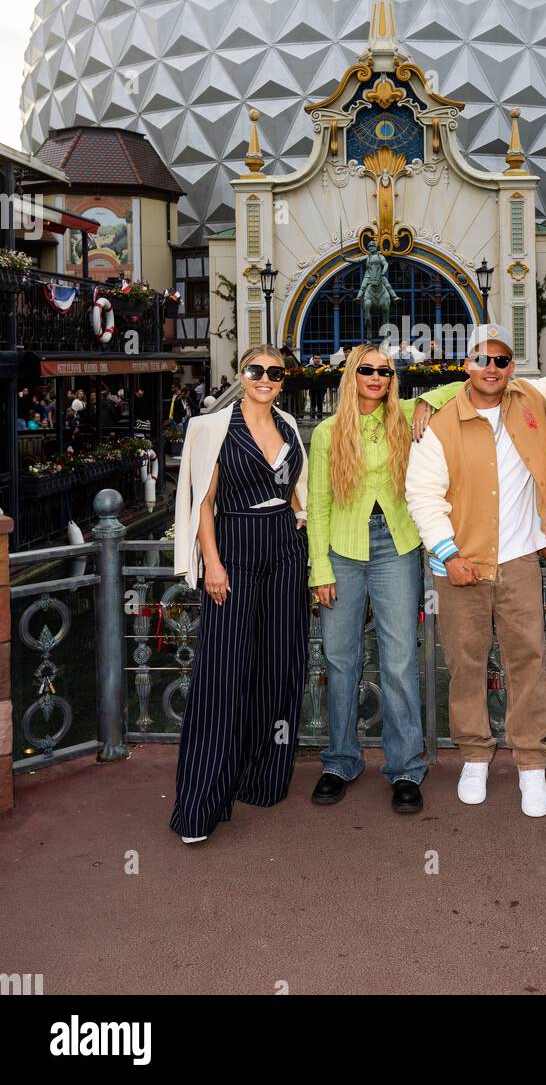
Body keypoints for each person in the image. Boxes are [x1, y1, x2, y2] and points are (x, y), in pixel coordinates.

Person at [405, 324, 546, 818]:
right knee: (466, 663)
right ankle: (475, 755)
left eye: (502, 360)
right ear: (466, 365)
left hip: (519, 558)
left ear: (513, 367)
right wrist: (448, 553)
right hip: (460, 559)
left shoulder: (528, 396)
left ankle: (530, 762)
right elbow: (422, 494)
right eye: (482, 359)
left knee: (527, 658)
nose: (492, 368)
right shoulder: (439, 421)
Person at [307, 344, 465, 814]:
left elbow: (464, 386)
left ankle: (404, 768)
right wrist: (319, 567)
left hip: (396, 546)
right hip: (342, 549)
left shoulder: (407, 416)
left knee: (398, 660)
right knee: (340, 659)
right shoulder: (326, 432)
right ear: (352, 375)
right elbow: (318, 504)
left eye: (385, 371)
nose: (376, 377)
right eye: (368, 370)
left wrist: (430, 403)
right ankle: (340, 760)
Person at [170, 344, 308, 843]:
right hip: (235, 547)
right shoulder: (211, 427)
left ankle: (263, 778)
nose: (265, 378)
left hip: (287, 550)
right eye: (256, 370)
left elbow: (297, 489)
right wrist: (213, 563)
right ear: (241, 374)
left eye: (274, 372)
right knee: (221, 675)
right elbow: (203, 500)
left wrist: (301, 523)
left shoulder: (289, 426)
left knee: (282, 665)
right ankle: (200, 803)